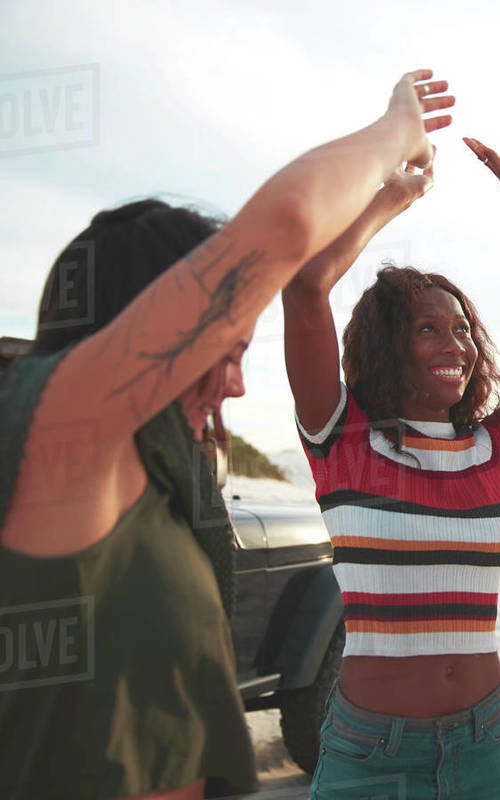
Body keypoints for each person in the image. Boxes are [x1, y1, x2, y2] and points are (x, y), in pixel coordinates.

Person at [0, 70, 453, 799]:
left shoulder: (158, 487)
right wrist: (399, 126)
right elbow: (285, 230)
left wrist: (394, 196)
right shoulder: (62, 450)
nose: (237, 385)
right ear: (148, 324)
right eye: (227, 349)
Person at [282, 134, 500, 799]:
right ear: (387, 342)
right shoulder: (343, 437)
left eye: (463, 328)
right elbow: (304, 288)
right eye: (428, 328)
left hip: (480, 742)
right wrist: (394, 196)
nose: (455, 344)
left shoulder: (495, 445)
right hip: (370, 749)